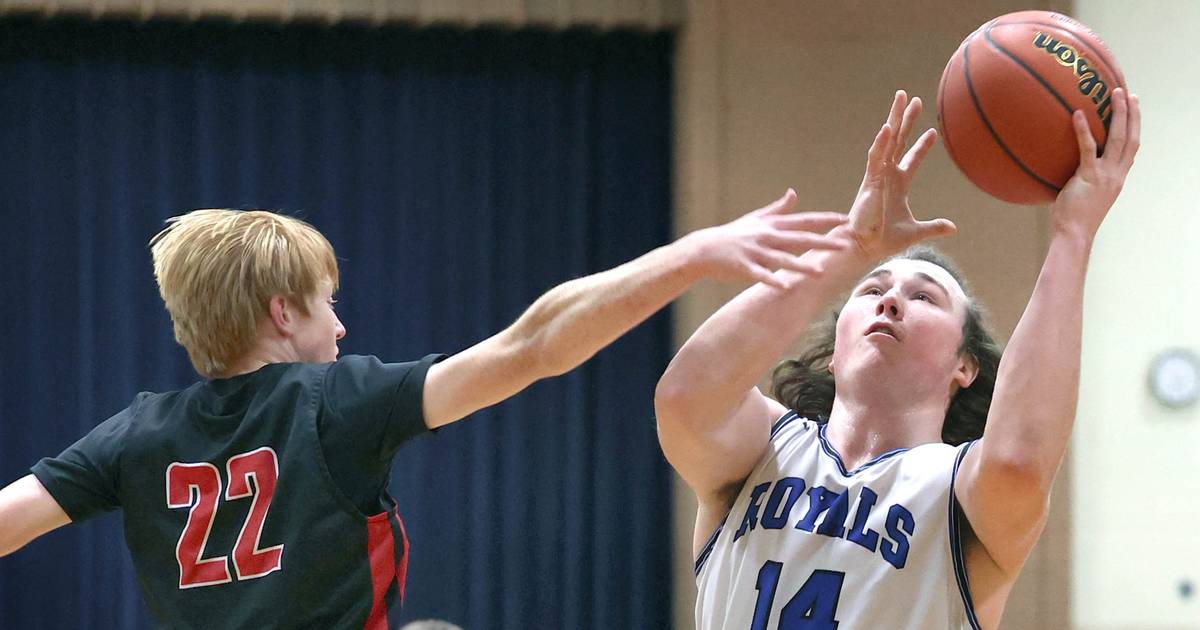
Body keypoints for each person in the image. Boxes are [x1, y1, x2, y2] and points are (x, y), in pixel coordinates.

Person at [0, 199, 851, 628]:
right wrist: (690, 255)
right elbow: (534, 346)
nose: (342, 325)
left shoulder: (135, 433)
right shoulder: (335, 401)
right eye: (329, 302)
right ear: (280, 312)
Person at [655, 88, 1140, 629]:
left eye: (924, 297)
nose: (889, 300)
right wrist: (849, 248)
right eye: (871, 290)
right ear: (833, 351)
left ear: (965, 366)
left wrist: (1072, 233)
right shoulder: (762, 447)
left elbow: (1018, 461)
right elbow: (684, 396)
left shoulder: (960, 490)